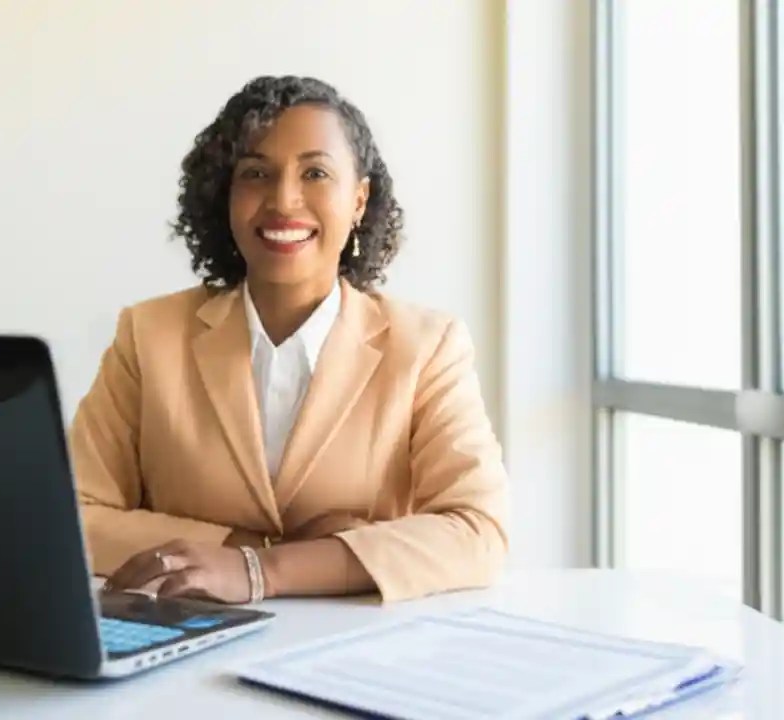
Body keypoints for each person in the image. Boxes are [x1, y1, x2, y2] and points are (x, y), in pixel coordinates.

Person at [71, 75, 509, 605]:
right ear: (224, 195)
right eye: (256, 173)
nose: (283, 200)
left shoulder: (428, 347)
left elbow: (478, 531)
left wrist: (266, 570)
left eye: (316, 173)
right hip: (183, 636)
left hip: (356, 647)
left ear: (359, 200)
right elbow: (74, 512)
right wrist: (244, 550)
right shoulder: (147, 335)